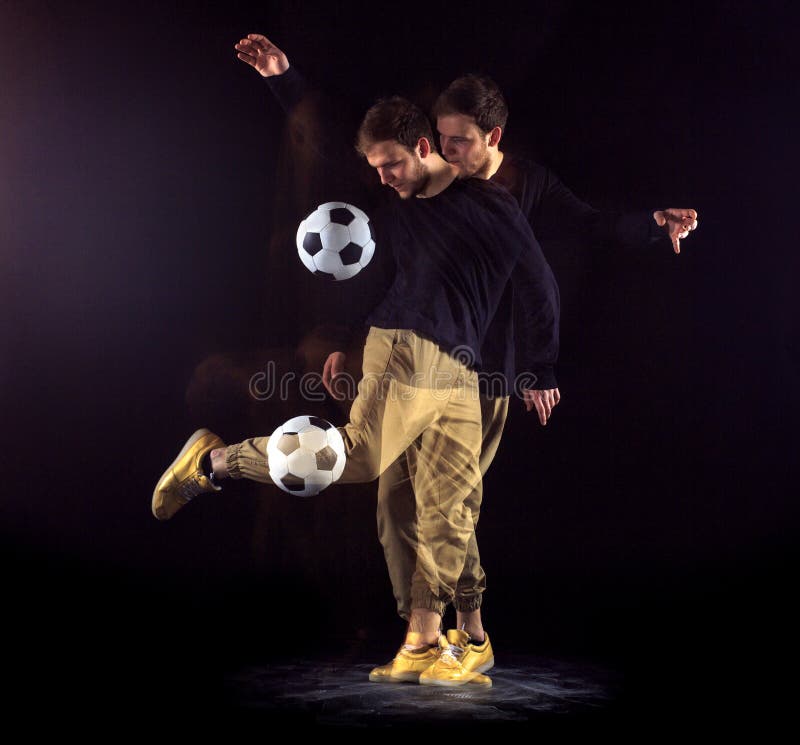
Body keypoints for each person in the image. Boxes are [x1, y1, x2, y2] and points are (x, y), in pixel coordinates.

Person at [232, 33, 700, 681]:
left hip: (486, 374)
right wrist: (348, 343)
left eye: (460, 141)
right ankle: (436, 635)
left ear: (494, 137)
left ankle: (459, 635)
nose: (447, 152)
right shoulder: (424, 190)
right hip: (415, 362)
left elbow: (587, 230)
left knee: (446, 504)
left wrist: (651, 227)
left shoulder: (524, 190)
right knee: (392, 501)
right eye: (441, 140)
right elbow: (394, 272)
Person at [153, 95, 560, 688]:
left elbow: (538, 282)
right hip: (405, 350)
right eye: (374, 168)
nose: (382, 177)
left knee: (451, 509)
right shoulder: (396, 203)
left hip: (464, 375)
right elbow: (329, 167)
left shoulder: (490, 205)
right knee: (364, 461)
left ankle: (429, 639)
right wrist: (283, 79)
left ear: (423, 148)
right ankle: (215, 461)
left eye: (390, 164)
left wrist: (543, 369)